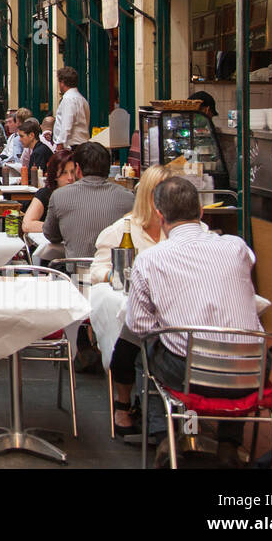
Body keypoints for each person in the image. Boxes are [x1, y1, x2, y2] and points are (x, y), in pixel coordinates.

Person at [127, 176, 265, 458]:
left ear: (159, 214)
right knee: (228, 352)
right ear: (201, 212)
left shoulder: (151, 260)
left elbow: (139, 325)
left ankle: (163, 436)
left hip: (189, 372)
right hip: (252, 369)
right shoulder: (237, 247)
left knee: (145, 354)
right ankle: (229, 442)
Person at [88, 163, 176, 433]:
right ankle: (124, 402)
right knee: (131, 333)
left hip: (175, 312)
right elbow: (96, 270)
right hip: (140, 308)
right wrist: (121, 275)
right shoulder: (122, 229)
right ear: (148, 197)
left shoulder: (180, 230)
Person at [42, 142, 136, 259]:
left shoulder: (59, 196)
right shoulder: (128, 197)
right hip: (113, 272)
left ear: (78, 169)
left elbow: (51, 235)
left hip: (75, 273)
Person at [21, 150, 78, 236]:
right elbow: (27, 225)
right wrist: (60, 228)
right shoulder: (45, 194)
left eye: (72, 172)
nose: (70, 177)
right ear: (55, 175)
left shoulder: (81, 194)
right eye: (64, 173)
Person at [53, 66, 91, 148]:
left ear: (62, 82)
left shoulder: (68, 99)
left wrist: (59, 144)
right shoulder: (82, 99)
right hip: (82, 143)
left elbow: (66, 124)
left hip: (72, 145)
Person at [17, 118, 54, 183]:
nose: (20, 139)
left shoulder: (38, 152)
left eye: (22, 136)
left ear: (31, 135)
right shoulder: (39, 149)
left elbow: (35, 178)